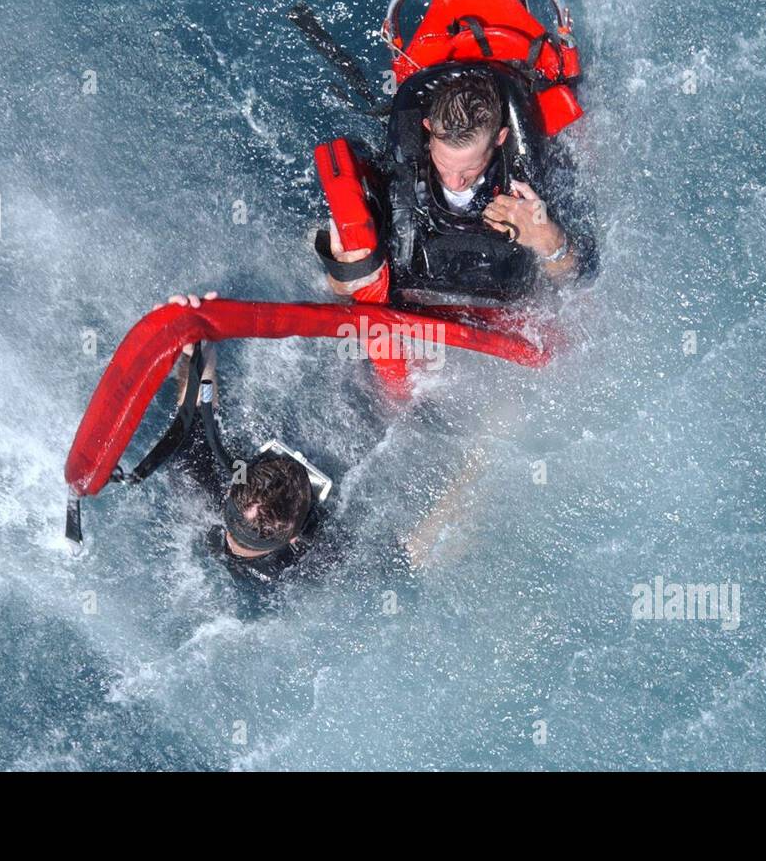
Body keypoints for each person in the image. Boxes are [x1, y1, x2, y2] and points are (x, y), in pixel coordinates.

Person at [323, 68, 597, 303]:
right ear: (428, 129)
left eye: (469, 168)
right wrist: (345, 275)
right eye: (444, 164)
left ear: (499, 139)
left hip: (505, 317)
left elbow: (583, 281)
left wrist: (548, 239)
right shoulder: (388, 175)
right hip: (413, 314)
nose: (454, 181)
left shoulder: (540, 180)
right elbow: (336, 291)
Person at [155, 293, 340, 587]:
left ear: (229, 490)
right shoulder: (318, 556)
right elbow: (408, 555)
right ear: (295, 537)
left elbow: (194, 413)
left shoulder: (193, 486)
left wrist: (196, 348)